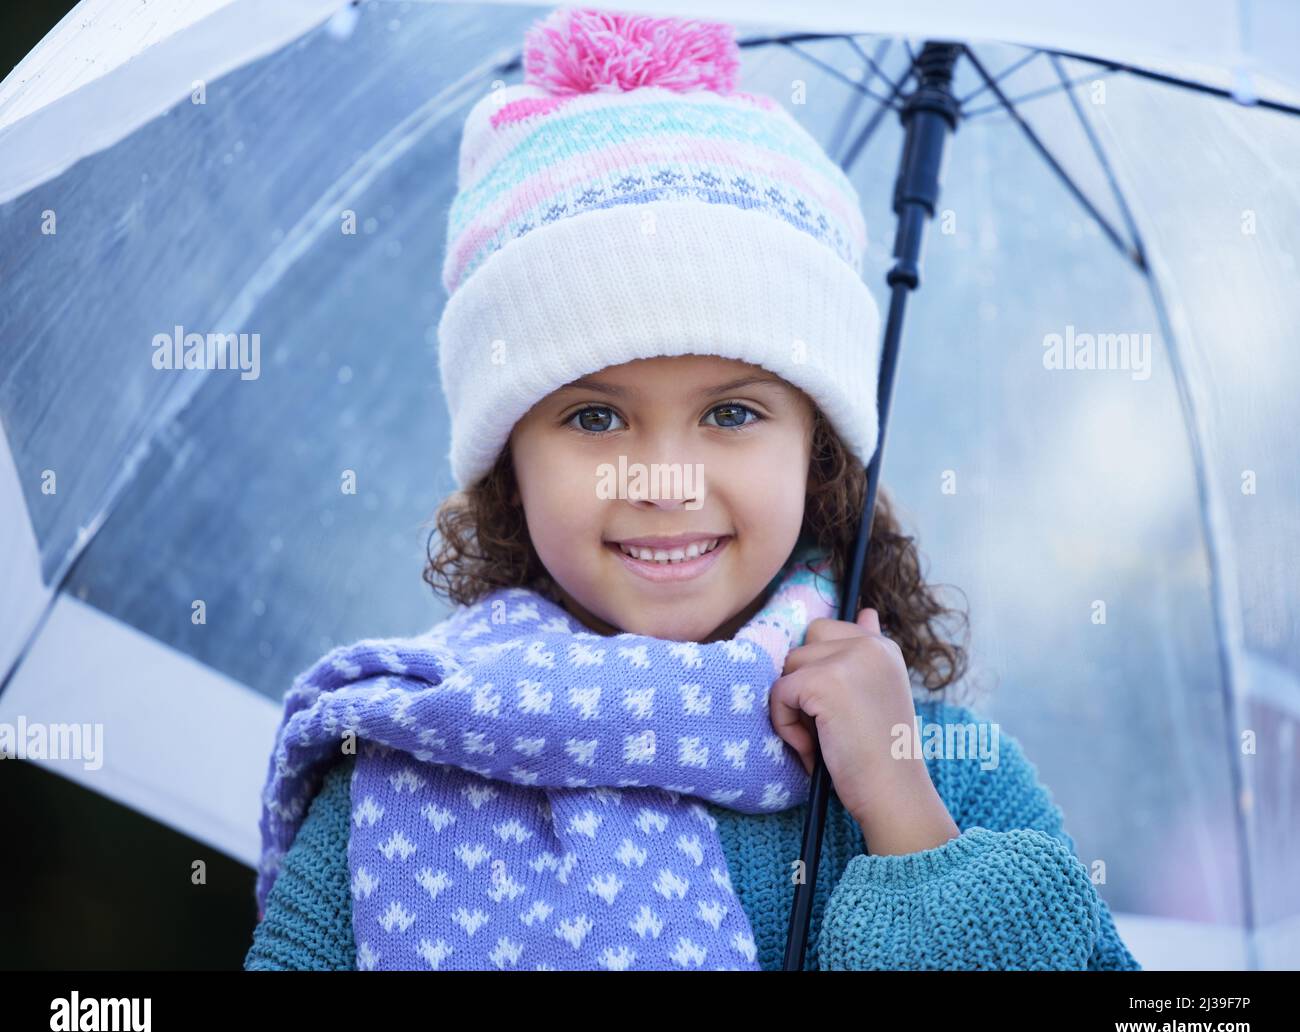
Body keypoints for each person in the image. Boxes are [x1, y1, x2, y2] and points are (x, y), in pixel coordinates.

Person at [245, 7, 1140, 972]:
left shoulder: (958, 782)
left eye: (731, 414)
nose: (667, 481)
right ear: (510, 460)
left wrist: (907, 820)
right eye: (594, 417)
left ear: (820, 453)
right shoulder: (407, 768)